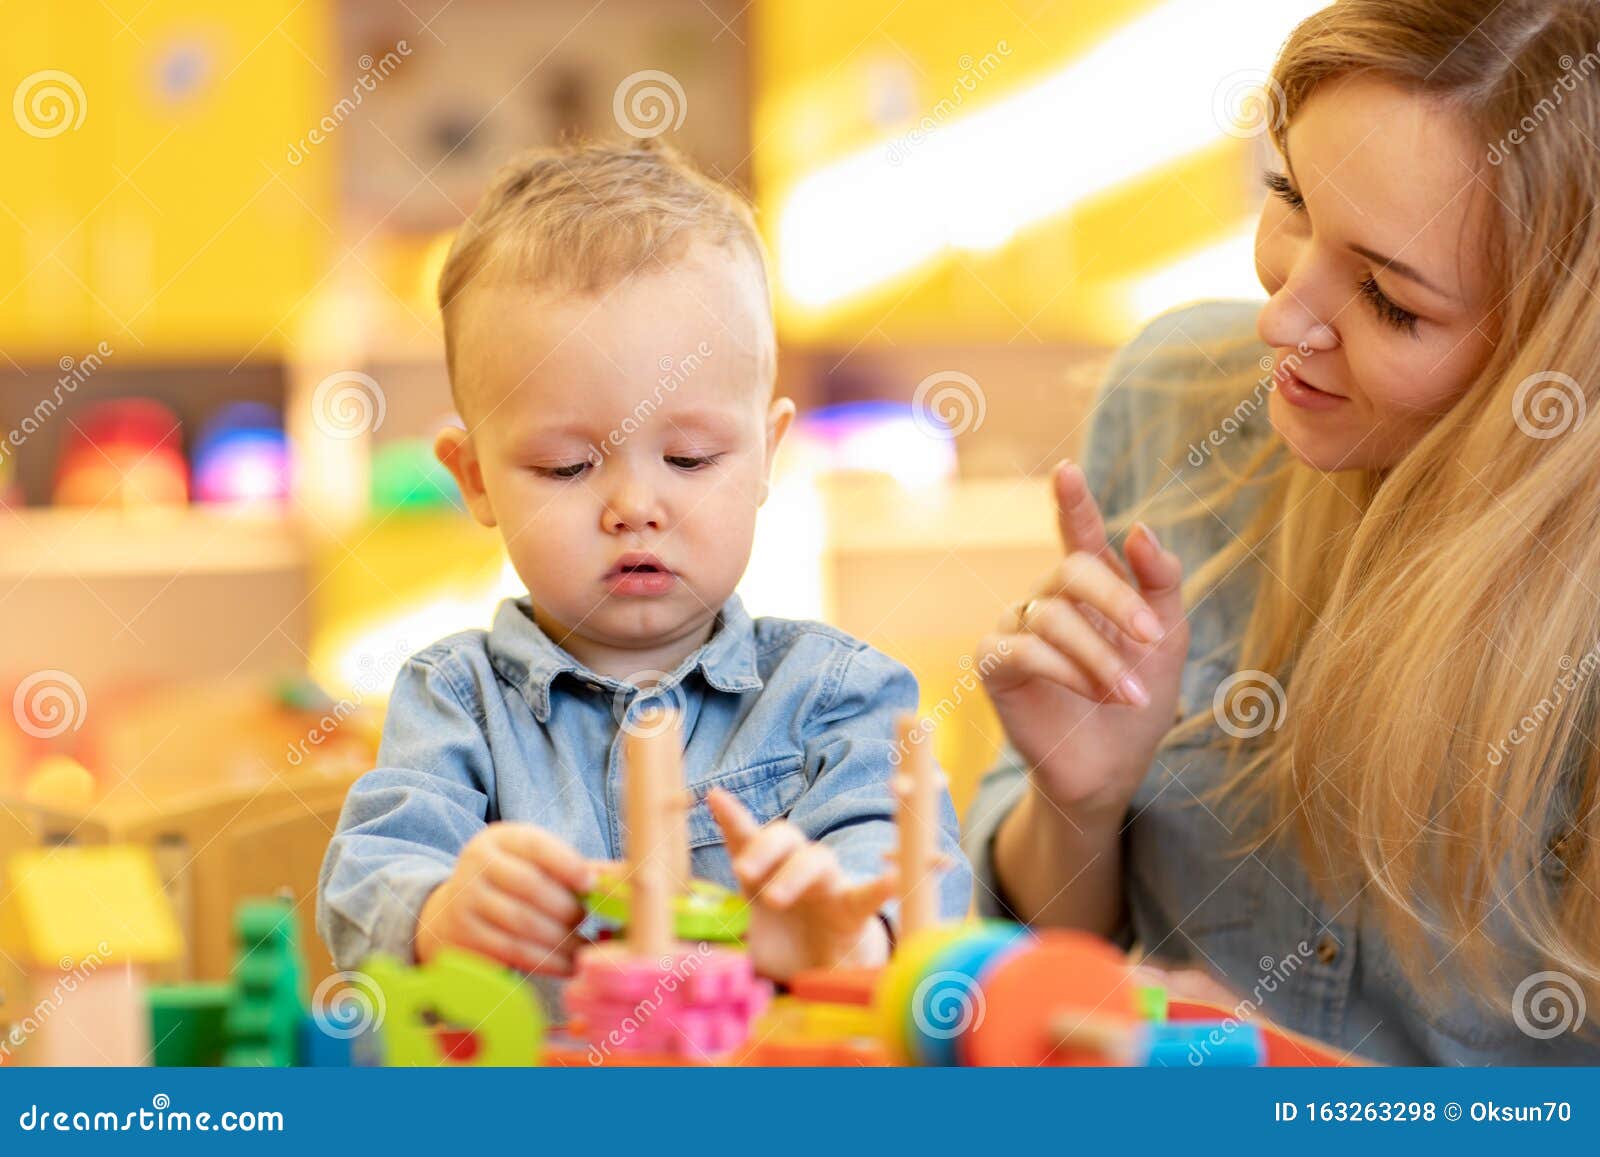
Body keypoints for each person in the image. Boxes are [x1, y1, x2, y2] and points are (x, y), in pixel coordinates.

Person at [964, 0, 1600, 1063]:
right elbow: (1029, 972)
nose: (1279, 319)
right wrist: (1078, 800)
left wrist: (1277, 1094)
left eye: (1388, 299)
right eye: (1291, 198)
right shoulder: (1175, 399)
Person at [317, 141, 971, 1005]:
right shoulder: (454, 701)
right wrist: (440, 912)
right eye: (566, 467)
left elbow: (902, 858)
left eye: (691, 458)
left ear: (769, 454)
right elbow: (369, 876)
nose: (634, 506)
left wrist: (852, 929)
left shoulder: (837, 692)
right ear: (474, 478)